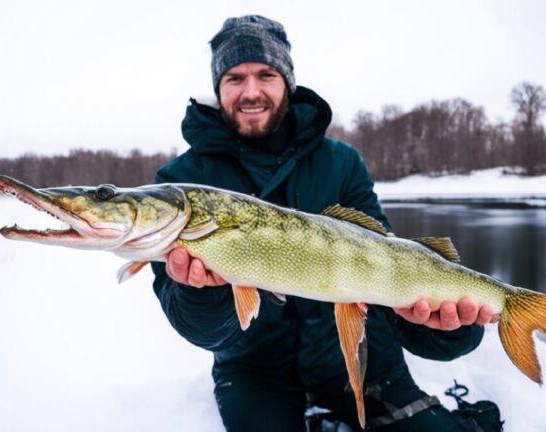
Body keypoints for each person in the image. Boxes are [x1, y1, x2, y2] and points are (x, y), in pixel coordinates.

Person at [151, 15, 500, 431]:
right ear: (217, 88)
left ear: (287, 81)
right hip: (256, 373)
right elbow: (200, 330)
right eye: (234, 78)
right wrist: (199, 292)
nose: (251, 91)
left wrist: (448, 327)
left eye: (265, 74)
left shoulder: (341, 162)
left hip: (365, 364)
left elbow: (382, 264)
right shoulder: (180, 186)